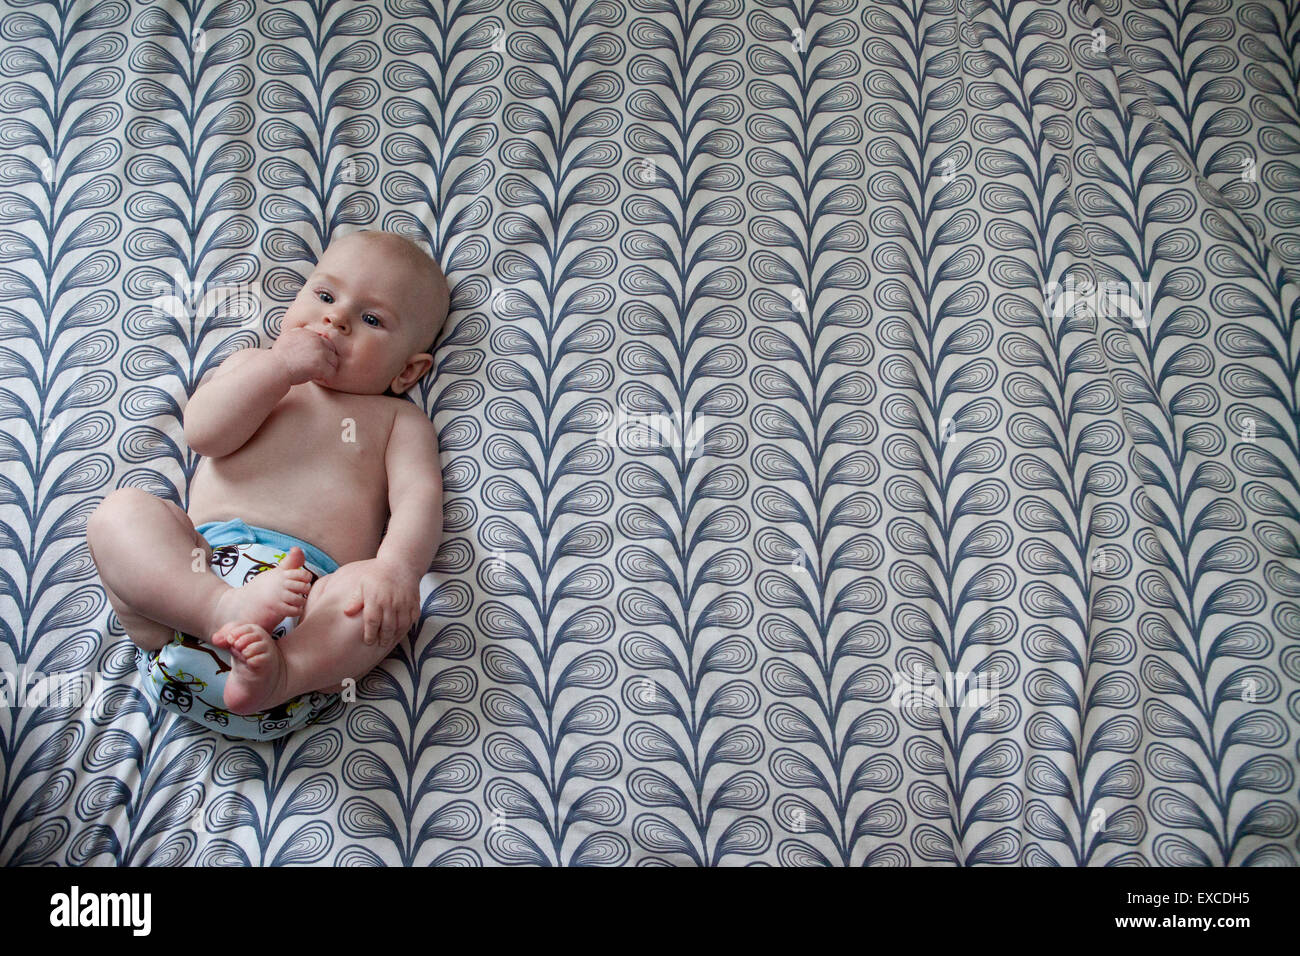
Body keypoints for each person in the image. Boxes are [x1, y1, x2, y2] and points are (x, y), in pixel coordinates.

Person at [86, 229, 449, 738]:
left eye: (371, 319)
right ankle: (194, 612)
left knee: (372, 600)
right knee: (121, 512)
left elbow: (418, 497)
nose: (335, 319)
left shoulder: (398, 422)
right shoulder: (256, 369)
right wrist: (278, 368)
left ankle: (286, 674)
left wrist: (396, 568)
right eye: (324, 295)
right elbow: (204, 434)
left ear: (408, 371)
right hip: (195, 581)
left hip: (307, 613)